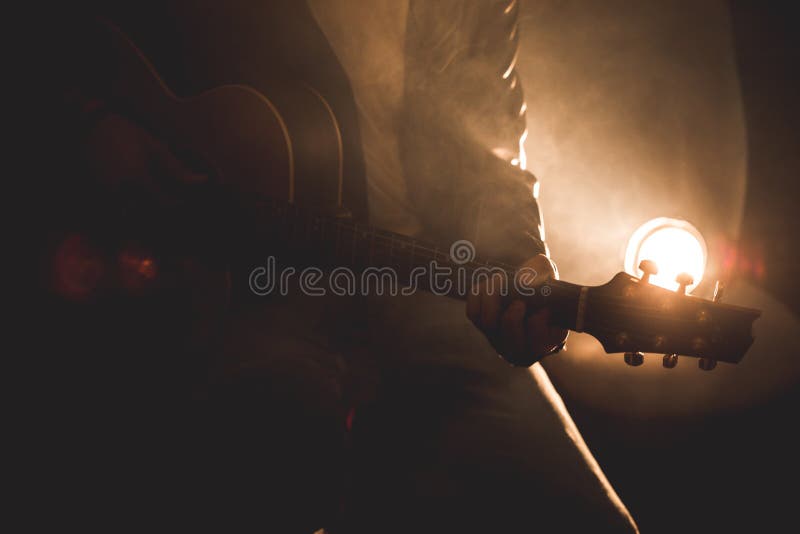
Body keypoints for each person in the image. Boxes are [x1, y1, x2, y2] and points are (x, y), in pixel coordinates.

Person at [22, 1, 637, 532]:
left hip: (422, 275)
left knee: (581, 516)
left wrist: (518, 254)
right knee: (269, 459)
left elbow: (490, 145)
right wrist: (93, 120)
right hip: (249, 283)